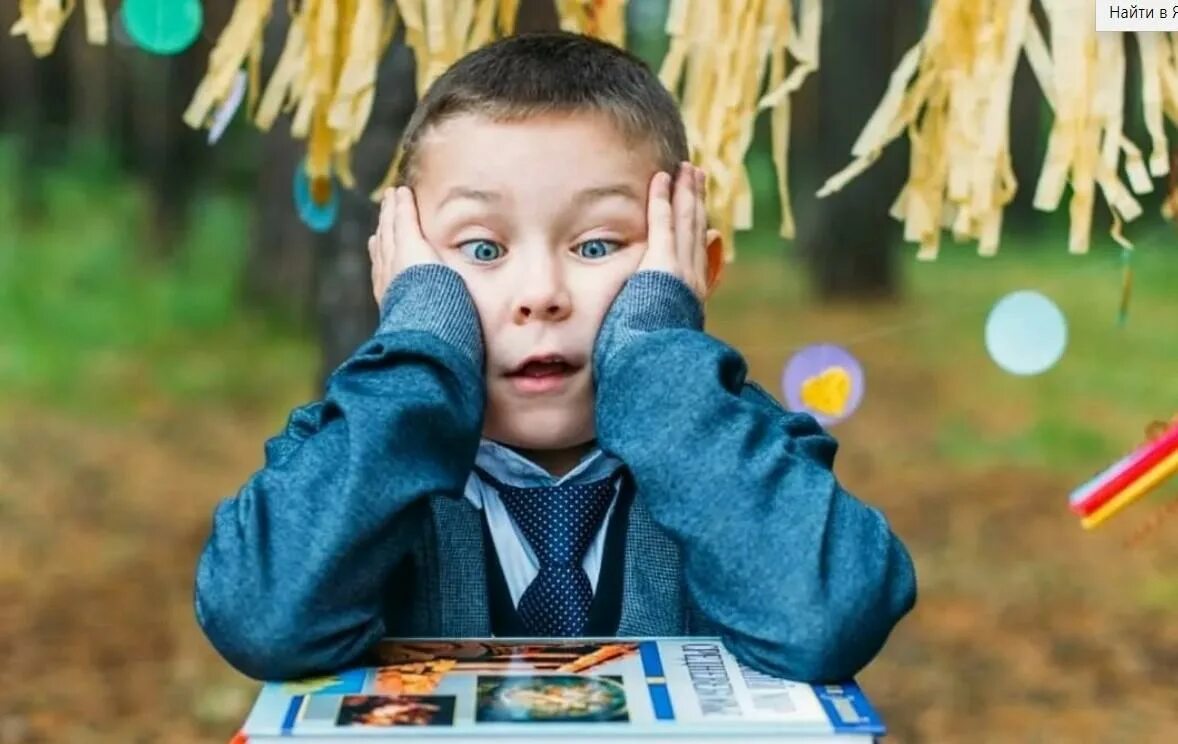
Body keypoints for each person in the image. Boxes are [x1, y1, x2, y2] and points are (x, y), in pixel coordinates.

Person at [194, 31, 916, 684]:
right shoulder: (355, 447)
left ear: (693, 266)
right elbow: (262, 620)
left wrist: (658, 353)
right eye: (482, 250)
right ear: (403, 273)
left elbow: (829, 618)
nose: (541, 294)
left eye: (596, 246)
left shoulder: (741, 449)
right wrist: (420, 348)